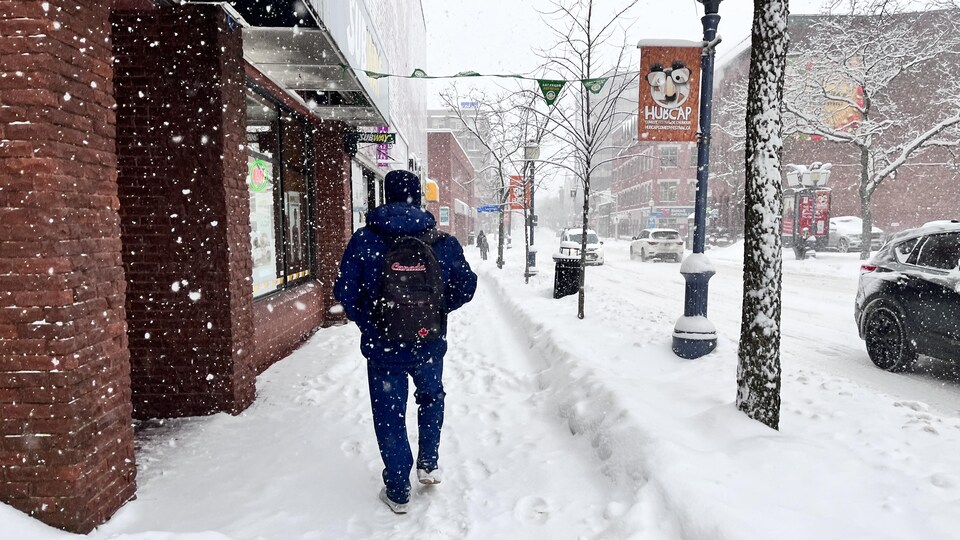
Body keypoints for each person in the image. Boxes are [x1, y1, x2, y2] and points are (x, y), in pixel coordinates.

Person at [334, 170, 477, 514]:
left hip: (383, 349)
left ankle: (398, 490)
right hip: (428, 344)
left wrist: (372, 322)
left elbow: (345, 293)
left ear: (386, 197)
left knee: (389, 414)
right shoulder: (442, 243)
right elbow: (466, 285)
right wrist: (435, 311)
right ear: (418, 198)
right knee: (431, 398)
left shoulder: (364, 241)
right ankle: (428, 462)